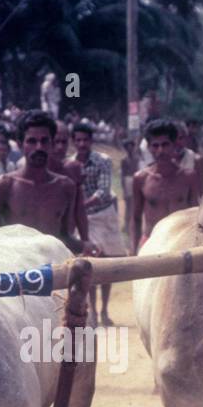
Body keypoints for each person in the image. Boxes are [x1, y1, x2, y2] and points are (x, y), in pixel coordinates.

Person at [0, 109, 81, 253]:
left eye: (44, 141)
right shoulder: (3, 186)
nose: (39, 147)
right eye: (32, 141)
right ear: (20, 144)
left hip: (52, 266)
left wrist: (86, 245)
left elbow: (64, 237)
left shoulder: (65, 187)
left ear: (51, 143)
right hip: (16, 266)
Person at [72, 121, 122, 321]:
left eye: (85, 140)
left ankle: (105, 310)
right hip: (84, 220)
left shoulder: (103, 160)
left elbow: (103, 191)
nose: (82, 144)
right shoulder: (70, 163)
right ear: (73, 142)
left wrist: (80, 206)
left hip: (103, 213)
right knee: (89, 265)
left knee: (108, 264)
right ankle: (92, 310)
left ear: (91, 141)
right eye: (78, 140)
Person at [130, 119, 198, 254]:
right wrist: (133, 250)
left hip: (182, 243)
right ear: (149, 147)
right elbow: (136, 218)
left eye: (165, 144)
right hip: (151, 242)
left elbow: (195, 213)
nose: (160, 150)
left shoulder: (188, 177)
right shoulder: (140, 179)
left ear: (174, 145)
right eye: (155, 145)